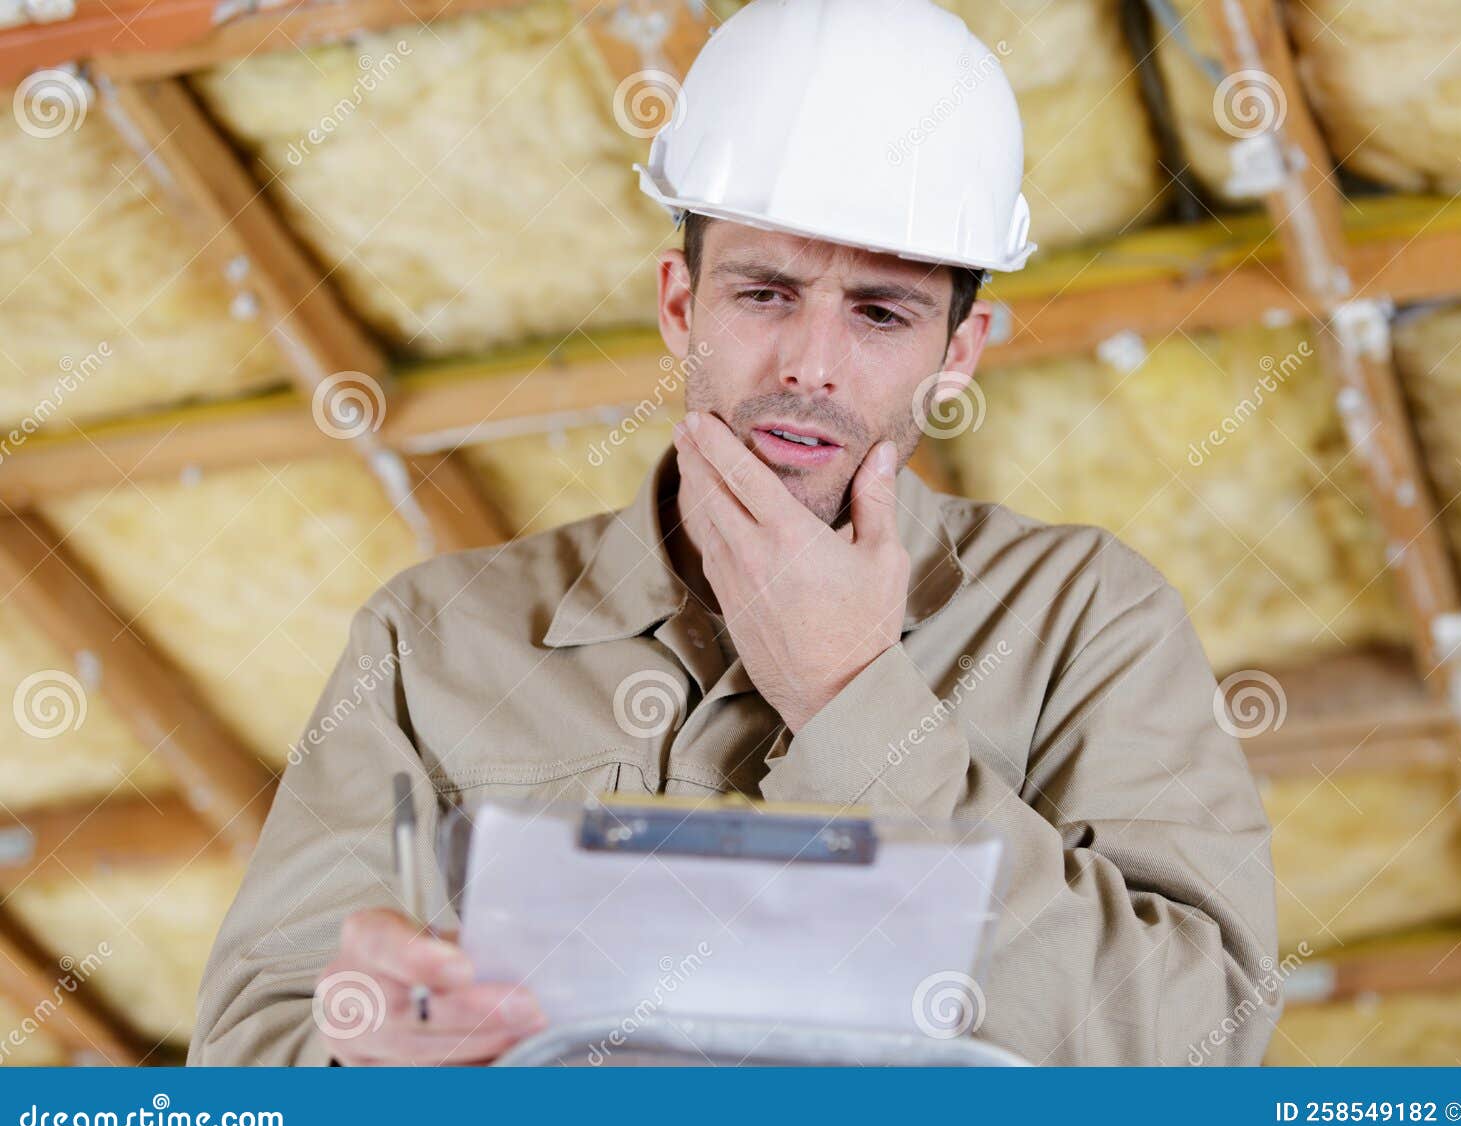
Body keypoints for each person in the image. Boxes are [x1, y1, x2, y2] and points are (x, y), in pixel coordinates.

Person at [189, 0, 1279, 1067]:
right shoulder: (432, 642)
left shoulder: (1082, 617)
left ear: (959, 350)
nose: (810, 363)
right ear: (679, 304)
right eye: (765, 291)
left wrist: (852, 697)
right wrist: (356, 1050)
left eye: (881, 312)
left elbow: (1197, 1051)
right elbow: (240, 1070)